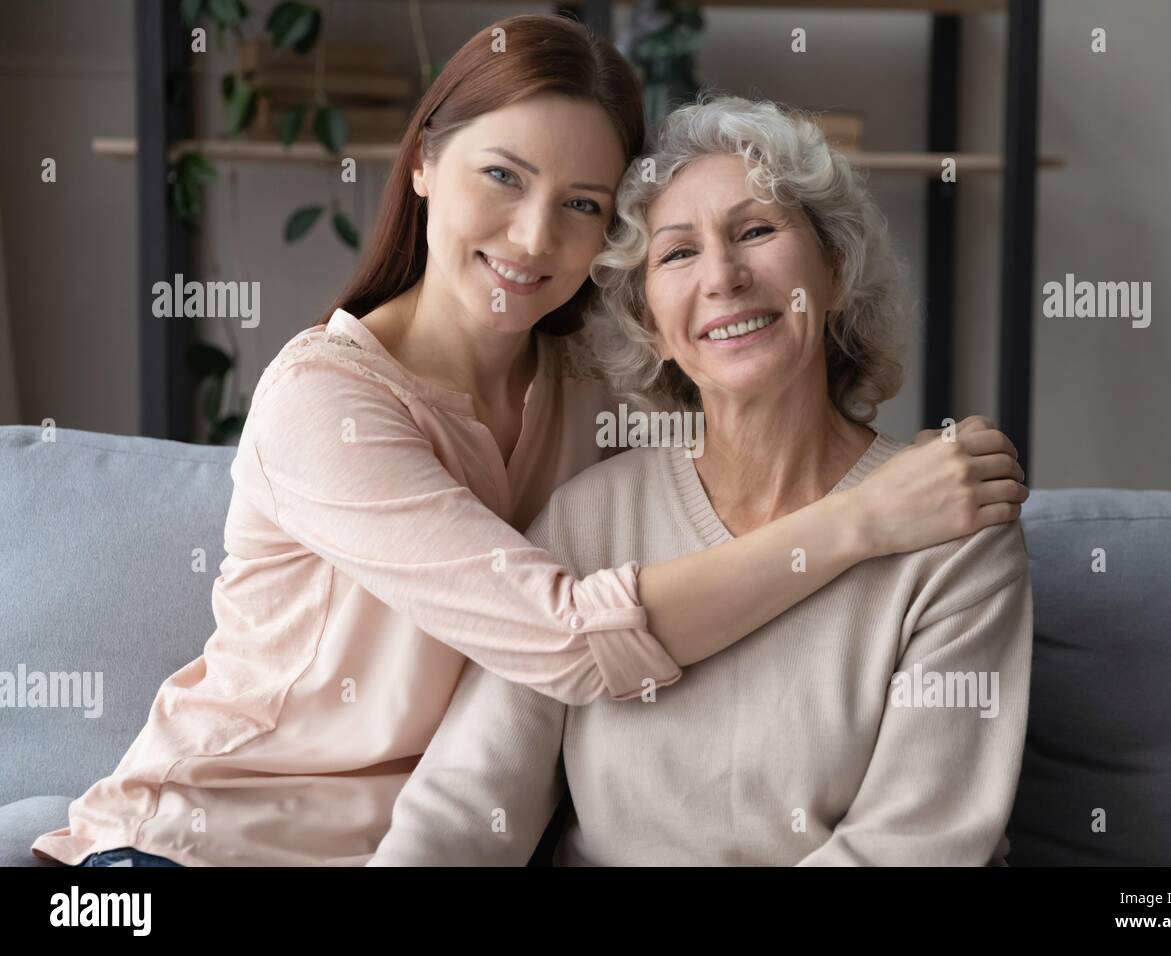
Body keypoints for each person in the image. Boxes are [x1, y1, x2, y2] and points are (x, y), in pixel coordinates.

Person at [34, 20, 1025, 868]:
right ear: (422, 161)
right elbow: (564, 645)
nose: (532, 236)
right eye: (501, 177)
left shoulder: (582, 398)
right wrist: (856, 522)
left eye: (583, 206)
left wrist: (894, 490)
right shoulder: (324, 405)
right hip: (199, 842)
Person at [369, 96, 1032, 867]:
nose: (724, 276)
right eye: (677, 253)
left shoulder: (953, 527)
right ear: (649, 321)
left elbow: (914, 845)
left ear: (835, 271)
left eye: (757, 231)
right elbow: (465, 802)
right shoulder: (588, 518)